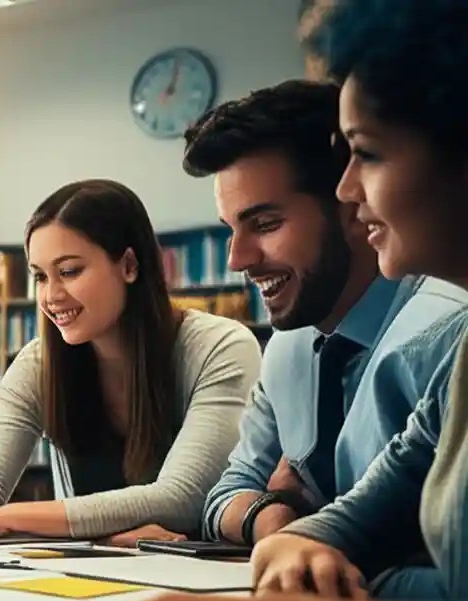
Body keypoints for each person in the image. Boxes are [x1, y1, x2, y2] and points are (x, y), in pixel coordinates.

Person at [24, 3, 468, 601]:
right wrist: (286, 531)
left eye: (370, 154)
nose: (352, 190)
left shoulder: (438, 333)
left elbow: (398, 571)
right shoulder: (311, 346)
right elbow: (264, 509)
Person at [0, 179, 262, 554]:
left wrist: (9, 518)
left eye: (70, 271)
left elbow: (182, 499)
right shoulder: (37, 365)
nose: (51, 295)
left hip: (204, 583)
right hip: (94, 579)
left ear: (129, 265)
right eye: (40, 276)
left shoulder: (220, 348)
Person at [188, 80, 466, 547]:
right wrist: (276, 522)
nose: (237, 259)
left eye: (265, 225)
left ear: (353, 209)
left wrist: (308, 542)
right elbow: (224, 496)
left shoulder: (439, 333)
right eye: (231, 230)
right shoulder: (290, 346)